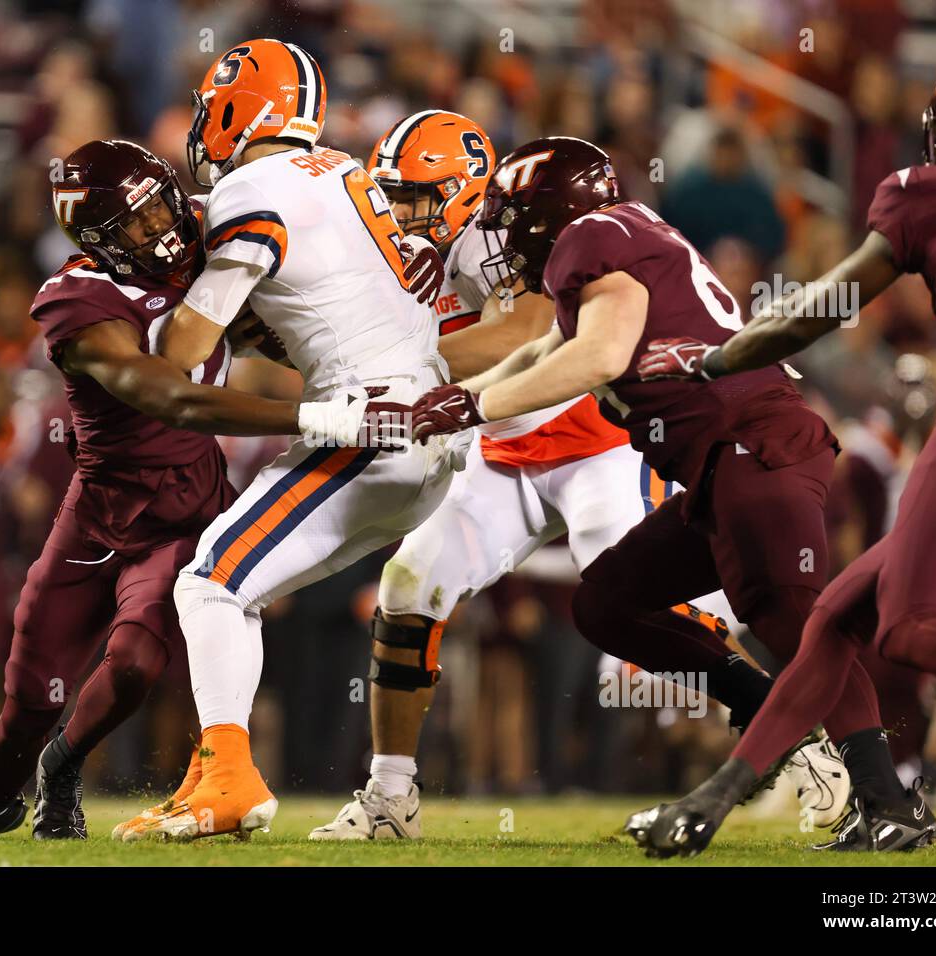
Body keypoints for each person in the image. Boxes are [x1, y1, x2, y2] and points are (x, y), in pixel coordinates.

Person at [0, 139, 406, 840]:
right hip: (97, 512)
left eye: (160, 203)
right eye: (135, 222)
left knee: (134, 663)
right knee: (32, 687)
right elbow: (175, 400)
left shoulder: (215, 237)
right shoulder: (79, 301)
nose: (161, 226)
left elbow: (297, 311)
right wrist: (317, 415)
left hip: (187, 509)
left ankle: (60, 769)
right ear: (98, 241)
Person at [406, 135, 912, 850]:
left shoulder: (588, 237)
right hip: (723, 464)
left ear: (551, 212)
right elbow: (542, 355)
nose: (504, 232)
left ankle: (886, 800)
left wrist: (478, 410)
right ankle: (763, 708)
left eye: (512, 213)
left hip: (752, 446)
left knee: (798, 626)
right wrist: (459, 397)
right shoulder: (626, 232)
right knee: (608, 601)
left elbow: (601, 357)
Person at [309, 111, 753, 841]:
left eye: (416, 194)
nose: (401, 211)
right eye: (391, 193)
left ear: (465, 190)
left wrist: (410, 366)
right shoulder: (392, 248)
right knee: (408, 585)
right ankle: (390, 796)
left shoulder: (518, 230)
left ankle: (793, 739)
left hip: (595, 446)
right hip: (498, 454)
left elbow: (522, 333)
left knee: (641, 607)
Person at [621, 48, 936, 857]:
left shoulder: (926, 192)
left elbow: (821, 307)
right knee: (835, 616)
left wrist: (715, 356)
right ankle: (718, 802)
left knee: (908, 627)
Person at [112, 39, 461, 842]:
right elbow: (320, 309)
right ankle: (211, 770)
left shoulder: (249, 189)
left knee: (208, 582)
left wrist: (169, 297)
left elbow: (185, 350)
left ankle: (231, 778)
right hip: (428, 430)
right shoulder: (345, 171)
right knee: (239, 585)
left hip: (370, 425)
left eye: (212, 107)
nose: (204, 125)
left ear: (241, 108)